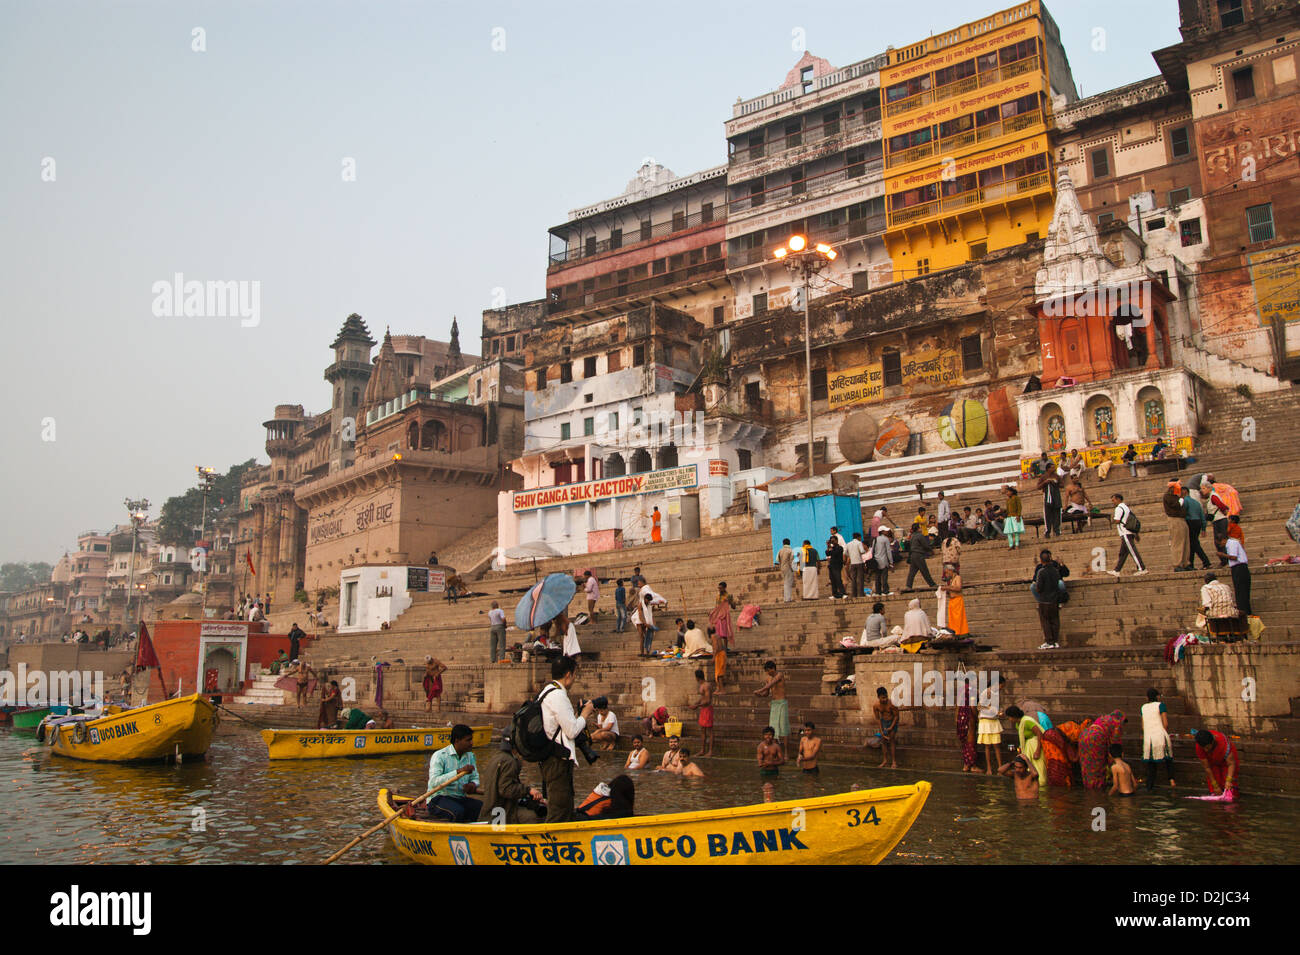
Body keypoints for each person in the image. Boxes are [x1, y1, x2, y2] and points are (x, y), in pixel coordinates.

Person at [538, 655, 594, 823]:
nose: (575, 678)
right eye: (575, 674)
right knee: (559, 811)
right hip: (557, 761)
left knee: (564, 808)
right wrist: (585, 714)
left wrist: (576, 714)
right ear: (568, 674)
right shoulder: (557, 696)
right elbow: (571, 731)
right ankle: (551, 846)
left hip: (553, 759)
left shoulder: (547, 692)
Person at [478, 735, 544, 825]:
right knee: (533, 817)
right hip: (501, 813)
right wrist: (528, 790)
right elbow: (505, 789)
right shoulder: (509, 762)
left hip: (493, 809)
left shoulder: (497, 757)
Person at [426, 724, 483, 823]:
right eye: (468, 740)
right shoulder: (440, 756)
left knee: (481, 808)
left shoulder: (470, 756)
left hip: (459, 798)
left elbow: (475, 777)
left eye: (471, 740)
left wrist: (473, 784)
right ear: (457, 741)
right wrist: (458, 772)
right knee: (457, 812)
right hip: (438, 798)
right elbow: (433, 782)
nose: (472, 743)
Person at [1031, 548, 1069, 650]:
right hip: (1054, 600)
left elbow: (1038, 587)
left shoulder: (1041, 572)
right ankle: (1055, 641)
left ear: (1041, 560)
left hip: (1044, 601)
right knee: (1055, 620)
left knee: (1046, 621)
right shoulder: (1055, 571)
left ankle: (1049, 641)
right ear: (1050, 558)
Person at [1079, 710, 1126, 789]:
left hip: (1083, 735)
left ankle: (1088, 787)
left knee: (1087, 764)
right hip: (1096, 738)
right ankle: (1097, 789)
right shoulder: (1117, 722)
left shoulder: (1103, 718)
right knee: (1097, 765)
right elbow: (1115, 743)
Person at [1141, 688, 1176, 790]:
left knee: (1151, 765)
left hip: (1148, 739)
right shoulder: (1160, 705)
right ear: (1157, 696)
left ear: (1147, 697)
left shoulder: (1143, 707)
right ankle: (1172, 781)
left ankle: (1149, 786)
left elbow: (1143, 726)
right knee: (1168, 760)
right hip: (1160, 735)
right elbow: (1165, 723)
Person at [1108, 493, 1148, 576]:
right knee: (1123, 553)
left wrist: (1112, 521)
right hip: (1128, 532)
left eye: (1114, 500)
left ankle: (1142, 568)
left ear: (1118, 499)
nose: (1113, 502)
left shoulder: (1119, 508)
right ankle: (1117, 570)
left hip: (1125, 532)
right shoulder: (1126, 507)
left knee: (1132, 551)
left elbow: (1117, 520)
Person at [754, 660, 789, 754]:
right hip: (774, 704)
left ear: (773, 669)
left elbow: (771, 684)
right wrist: (760, 695)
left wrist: (760, 690)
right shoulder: (768, 679)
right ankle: (775, 752)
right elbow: (766, 693)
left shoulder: (779, 675)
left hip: (782, 703)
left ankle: (786, 752)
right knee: (773, 728)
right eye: (767, 671)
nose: (768, 673)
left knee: (783, 727)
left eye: (768, 670)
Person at [1005, 705, 1045, 786]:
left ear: (1014, 716)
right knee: (1028, 766)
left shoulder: (1027, 721)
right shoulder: (1018, 724)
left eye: (1009, 717)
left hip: (1036, 744)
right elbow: (1023, 738)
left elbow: (1039, 733)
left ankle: (1041, 784)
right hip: (1028, 746)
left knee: (1038, 767)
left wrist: (1037, 750)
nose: (1009, 719)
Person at [1194, 729, 1239, 799]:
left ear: (1212, 742)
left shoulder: (1223, 744)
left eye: (1207, 747)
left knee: (1230, 789)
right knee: (1215, 791)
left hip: (1226, 762)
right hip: (1212, 762)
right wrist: (1215, 786)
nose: (1206, 750)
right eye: (1204, 748)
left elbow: (1231, 763)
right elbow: (1207, 768)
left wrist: (1228, 780)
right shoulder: (1199, 746)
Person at [709, 582, 738, 692]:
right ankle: (721, 648)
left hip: (725, 616)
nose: (719, 589)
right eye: (718, 588)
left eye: (721, 588)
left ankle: (725, 648)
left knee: (725, 633)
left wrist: (730, 602)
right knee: (719, 634)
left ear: (725, 588)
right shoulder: (717, 597)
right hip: (719, 617)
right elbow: (716, 607)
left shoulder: (728, 596)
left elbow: (734, 606)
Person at [1216, 533, 1251, 616]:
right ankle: (1245, 612)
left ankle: (1244, 613)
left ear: (1223, 540)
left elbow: (1234, 557)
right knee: (1241, 592)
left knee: (1241, 593)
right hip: (1239, 568)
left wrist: (1222, 555)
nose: (1221, 545)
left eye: (1220, 543)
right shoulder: (1232, 543)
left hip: (1239, 568)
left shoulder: (1231, 543)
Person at [1200, 571, 1241, 639]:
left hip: (1217, 614)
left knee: (1201, 615)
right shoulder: (1226, 586)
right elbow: (1233, 602)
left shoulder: (1206, 588)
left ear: (1206, 581)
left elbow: (1207, 604)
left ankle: (1215, 635)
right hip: (1232, 613)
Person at [1163, 481, 1191, 572]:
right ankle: (1177, 564)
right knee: (1178, 543)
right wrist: (1182, 498)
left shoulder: (1175, 497)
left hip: (1182, 520)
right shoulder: (1168, 497)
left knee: (1186, 542)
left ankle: (1185, 563)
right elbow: (1176, 505)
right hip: (1175, 520)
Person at [689, 668, 715, 757]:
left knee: (710, 731)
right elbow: (703, 697)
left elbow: (707, 700)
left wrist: (697, 706)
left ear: (697, 677)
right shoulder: (702, 685)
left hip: (707, 709)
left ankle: (710, 751)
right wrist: (696, 703)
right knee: (703, 730)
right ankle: (702, 750)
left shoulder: (706, 686)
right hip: (703, 710)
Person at [873, 687, 899, 768]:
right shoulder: (876, 706)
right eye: (883, 697)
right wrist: (881, 730)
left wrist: (891, 727)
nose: (885, 699)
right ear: (879, 697)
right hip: (884, 722)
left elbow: (896, 717)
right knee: (883, 741)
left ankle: (894, 762)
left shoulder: (892, 704)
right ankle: (885, 761)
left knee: (891, 740)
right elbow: (878, 718)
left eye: (886, 697)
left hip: (892, 722)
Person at [904, 525, 936, 591]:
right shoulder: (920, 535)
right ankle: (932, 584)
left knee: (912, 572)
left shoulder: (912, 536)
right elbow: (925, 545)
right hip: (918, 555)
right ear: (918, 529)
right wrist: (931, 550)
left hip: (913, 555)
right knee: (924, 570)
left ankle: (908, 585)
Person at [942, 563, 969, 636]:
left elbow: (958, 588)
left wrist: (947, 587)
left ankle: (960, 633)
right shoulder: (951, 580)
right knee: (952, 620)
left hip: (958, 600)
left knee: (958, 619)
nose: (946, 575)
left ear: (951, 571)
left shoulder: (958, 577)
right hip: (952, 601)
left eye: (947, 572)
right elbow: (952, 589)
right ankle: (954, 632)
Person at [977, 696, 1002, 775]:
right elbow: (979, 707)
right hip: (985, 723)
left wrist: (998, 712)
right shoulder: (982, 699)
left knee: (996, 746)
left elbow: (998, 711)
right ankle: (989, 768)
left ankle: (1000, 768)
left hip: (994, 723)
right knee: (987, 746)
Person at [956, 684, 977, 772]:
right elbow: (972, 706)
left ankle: (966, 765)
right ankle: (973, 766)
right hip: (969, 718)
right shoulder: (972, 690)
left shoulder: (961, 690)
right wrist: (977, 717)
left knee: (964, 743)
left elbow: (957, 705)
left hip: (961, 718)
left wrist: (956, 717)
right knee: (970, 743)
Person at [1038, 468, 1062, 538]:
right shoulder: (1043, 477)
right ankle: (1047, 532)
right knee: (1047, 515)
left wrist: (1055, 483)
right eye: (1052, 467)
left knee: (1057, 515)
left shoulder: (1056, 476)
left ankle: (1057, 531)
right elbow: (1038, 487)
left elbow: (1062, 485)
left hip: (1056, 497)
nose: (1054, 468)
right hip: (1047, 498)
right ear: (1048, 469)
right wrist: (1045, 483)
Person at [871, 527, 895, 595]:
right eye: (885, 531)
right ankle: (885, 591)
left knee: (877, 577)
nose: (887, 532)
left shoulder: (875, 539)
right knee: (884, 577)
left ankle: (878, 591)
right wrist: (891, 562)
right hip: (884, 561)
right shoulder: (885, 539)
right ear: (882, 532)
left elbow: (872, 551)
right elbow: (888, 551)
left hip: (876, 561)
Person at [845, 531, 867, 598]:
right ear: (858, 537)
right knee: (860, 579)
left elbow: (845, 553)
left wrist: (851, 555)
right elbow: (862, 551)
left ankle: (854, 594)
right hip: (859, 562)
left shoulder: (848, 544)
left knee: (853, 579)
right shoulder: (859, 543)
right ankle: (860, 594)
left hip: (852, 563)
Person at [825, 534, 846, 599]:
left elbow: (835, 553)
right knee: (833, 580)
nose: (833, 542)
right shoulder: (832, 548)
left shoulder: (840, 548)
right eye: (832, 541)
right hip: (832, 566)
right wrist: (828, 546)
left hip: (837, 566)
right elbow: (827, 553)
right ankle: (835, 594)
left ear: (836, 541)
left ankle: (842, 593)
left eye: (833, 541)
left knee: (838, 579)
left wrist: (831, 548)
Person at [777, 538, 796, 603]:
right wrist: (793, 568)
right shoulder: (790, 551)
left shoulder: (780, 551)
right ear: (789, 543)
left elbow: (778, 560)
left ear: (783, 543)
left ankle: (786, 598)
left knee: (785, 583)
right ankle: (788, 599)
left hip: (782, 568)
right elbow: (791, 560)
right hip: (788, 568)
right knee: (788, 583)